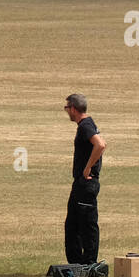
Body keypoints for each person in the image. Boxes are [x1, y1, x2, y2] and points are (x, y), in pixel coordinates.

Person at [63, 93, 105, 265]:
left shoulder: (85, 125)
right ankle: (76, 264)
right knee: (72, 225)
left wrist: (87, 168)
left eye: (66, 108)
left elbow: (101, 144)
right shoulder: (87, 124)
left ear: (73, 108)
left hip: (86, 183)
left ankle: (89, 264)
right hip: (81, 184)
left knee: (86, 225)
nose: (66, 111)